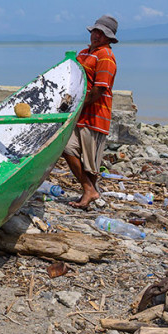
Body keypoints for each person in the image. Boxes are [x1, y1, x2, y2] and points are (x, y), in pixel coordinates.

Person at [64, 14, 119, 209]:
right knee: (68, 148)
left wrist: (79, 105)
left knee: (90, 161)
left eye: (101, 34)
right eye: (95, 31)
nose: (96, 36)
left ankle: (90, 193)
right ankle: (90, 190)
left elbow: (100, 89)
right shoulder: (84, 53)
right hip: (79, 115)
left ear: (108, 38)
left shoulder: (106, 56)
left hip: (95, 115)